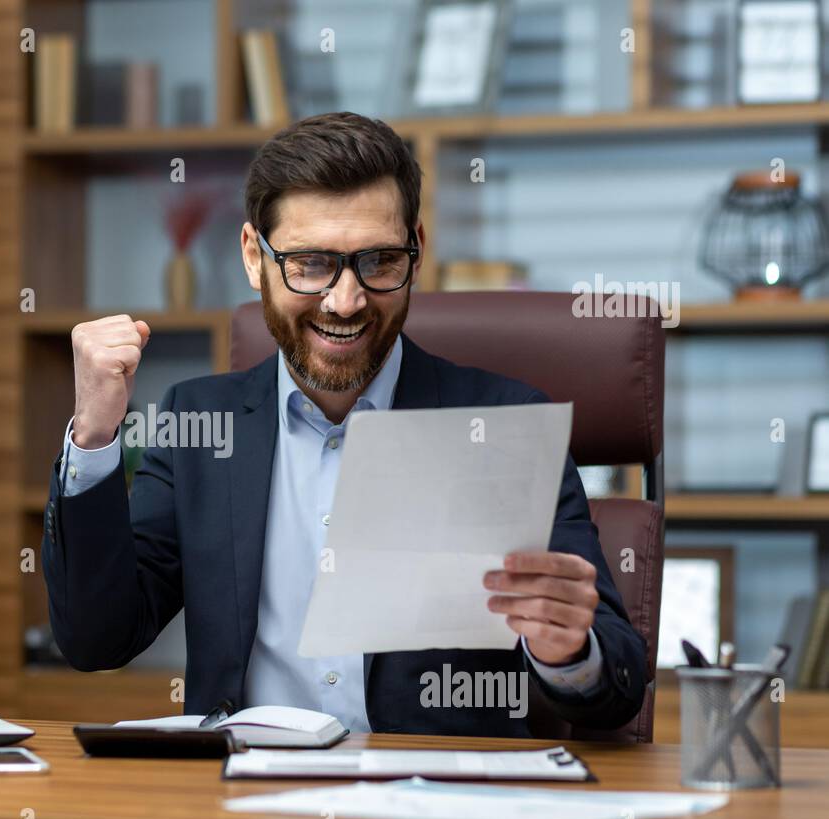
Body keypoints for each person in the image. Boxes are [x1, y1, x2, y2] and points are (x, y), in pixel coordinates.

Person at [40, 111, 646, 737]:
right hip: (246, 800)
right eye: (309, 263)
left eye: (379, 261)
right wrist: (94, 436)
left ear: (416, 249)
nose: (345, 301)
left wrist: (567, 652)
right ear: (255, 257)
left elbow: (615, 686)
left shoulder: (503, 422)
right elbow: (96, 639)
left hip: (432, 805)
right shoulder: (200, 422)